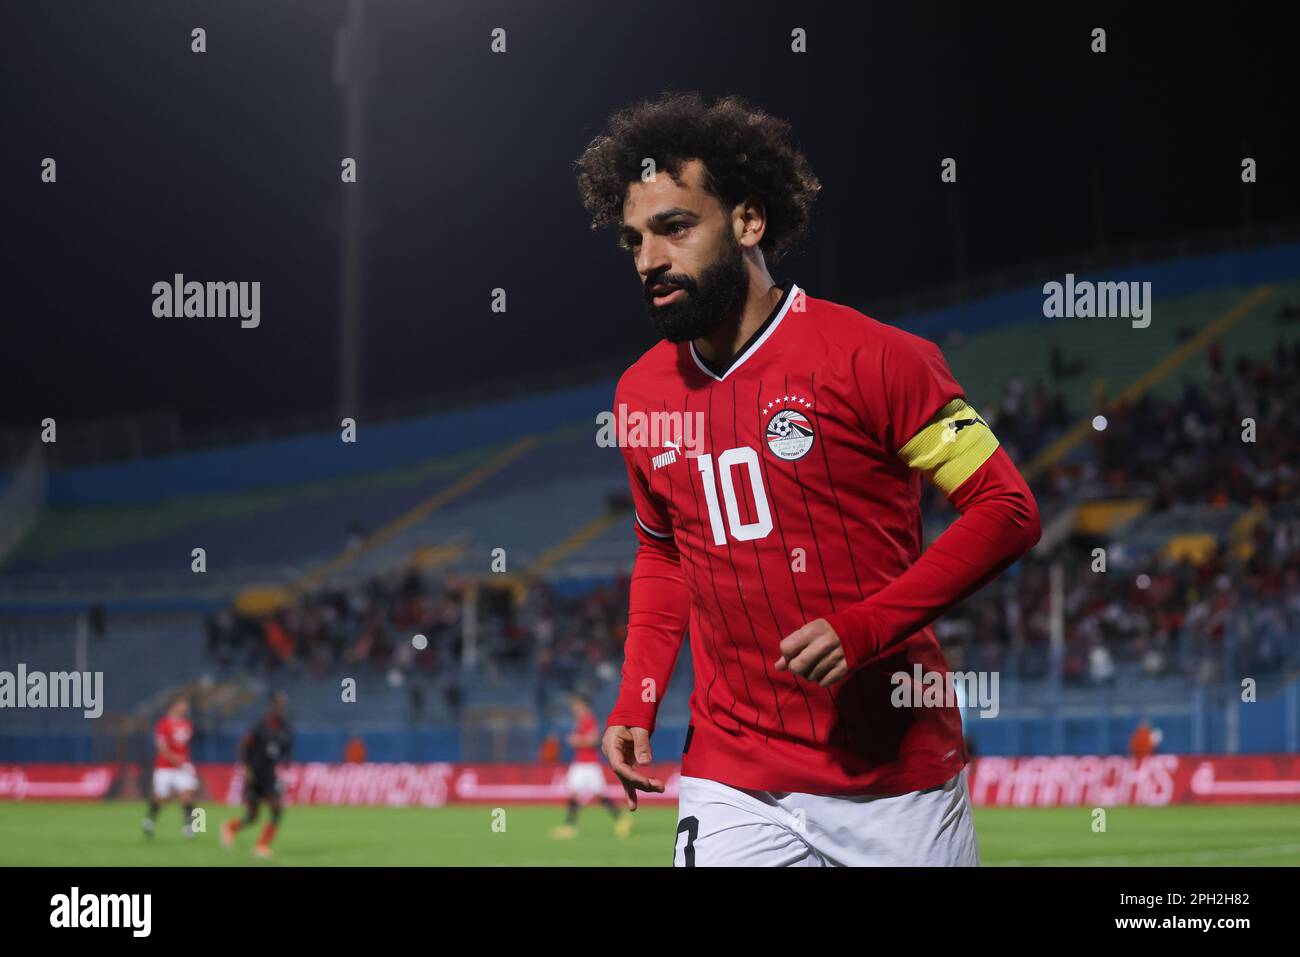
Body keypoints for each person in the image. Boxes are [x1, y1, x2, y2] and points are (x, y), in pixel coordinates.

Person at [575, 92, 1041, 866]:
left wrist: (866, 626)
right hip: (733, 771)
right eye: (633, 240)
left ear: (749, 222)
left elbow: (1008, 508)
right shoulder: (640, 396)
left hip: (892, 775)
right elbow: (664, 554)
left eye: (675, 228)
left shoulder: (878, 359)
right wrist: (638, 696)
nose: (649, 259)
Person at [221, 690, 293, 858]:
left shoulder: (285, 728)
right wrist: (246, 768)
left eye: (284, 705)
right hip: (254, 773)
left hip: (269, 774)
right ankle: (230, 827)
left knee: (277, 808)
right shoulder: (260, 725)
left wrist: (287, 761)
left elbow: (286, 749)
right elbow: (243, 746)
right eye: (280, 705)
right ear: (272, 705)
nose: (283, 708)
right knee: (253, 816)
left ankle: (261, 845)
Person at [551, 694, 631, 839]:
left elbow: (594, 739)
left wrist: (576, 740)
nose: (574, 708)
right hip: (580, 763)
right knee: (574, 793)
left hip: (589, 764)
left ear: (583, 705)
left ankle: (620, 819)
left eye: (576, 705)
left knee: (599, 795)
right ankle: (569, 826)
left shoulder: (589, 720)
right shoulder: (581, 721)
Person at [143, 695, 198, 839]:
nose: (185, 708)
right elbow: (162, 748)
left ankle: (190, 828)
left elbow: (184, 747)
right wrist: (175, 759)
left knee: (187, 796)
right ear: (174, 706)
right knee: (160, 797)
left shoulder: (187, 724)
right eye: (182, 705)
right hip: (165, 767)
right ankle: (149, 820)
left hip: (182, 767)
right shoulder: (163, 724)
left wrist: (184, 762)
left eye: (186, 705)